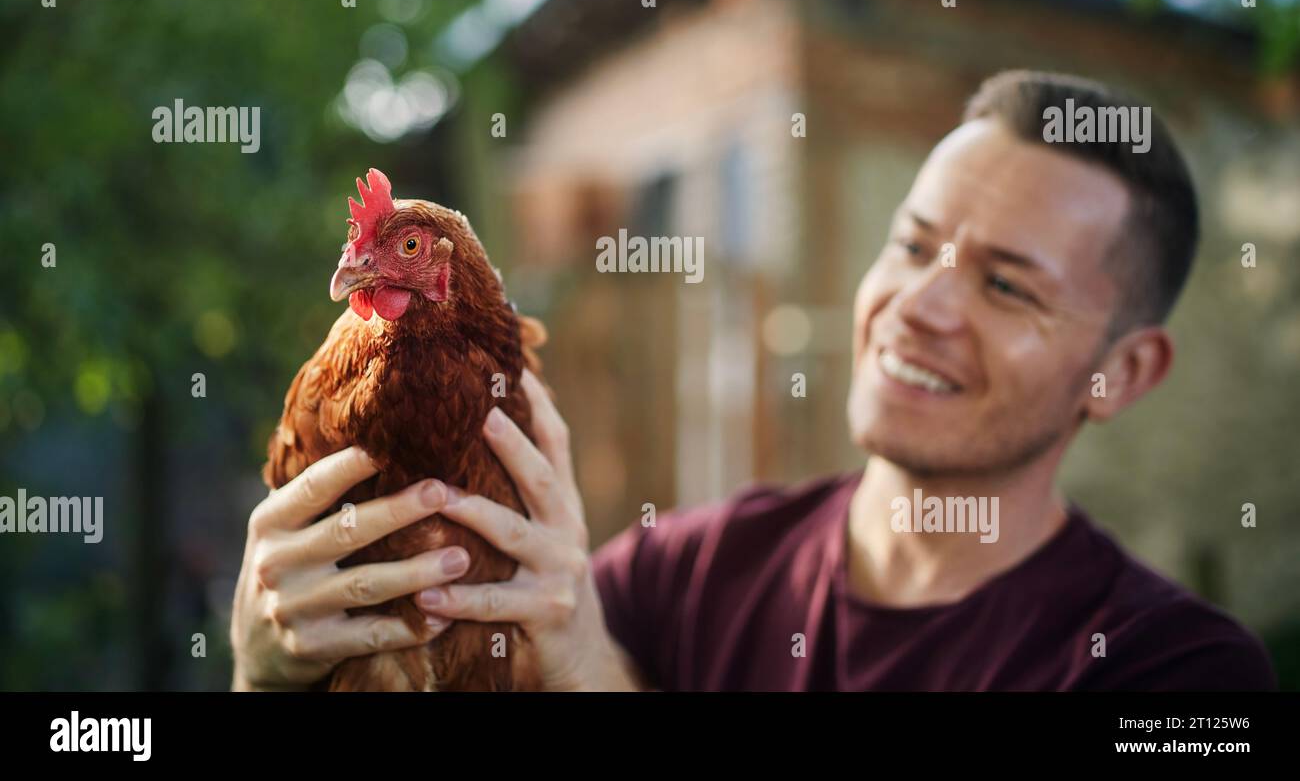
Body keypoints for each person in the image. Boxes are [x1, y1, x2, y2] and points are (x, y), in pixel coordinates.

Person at [230, 70, 1276, 691]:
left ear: (1121, 370)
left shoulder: (1172, 673)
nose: (922, 304)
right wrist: (266, 675)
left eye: (1005, 286)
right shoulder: (673, 576)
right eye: (914, 246)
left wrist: (595, 671)